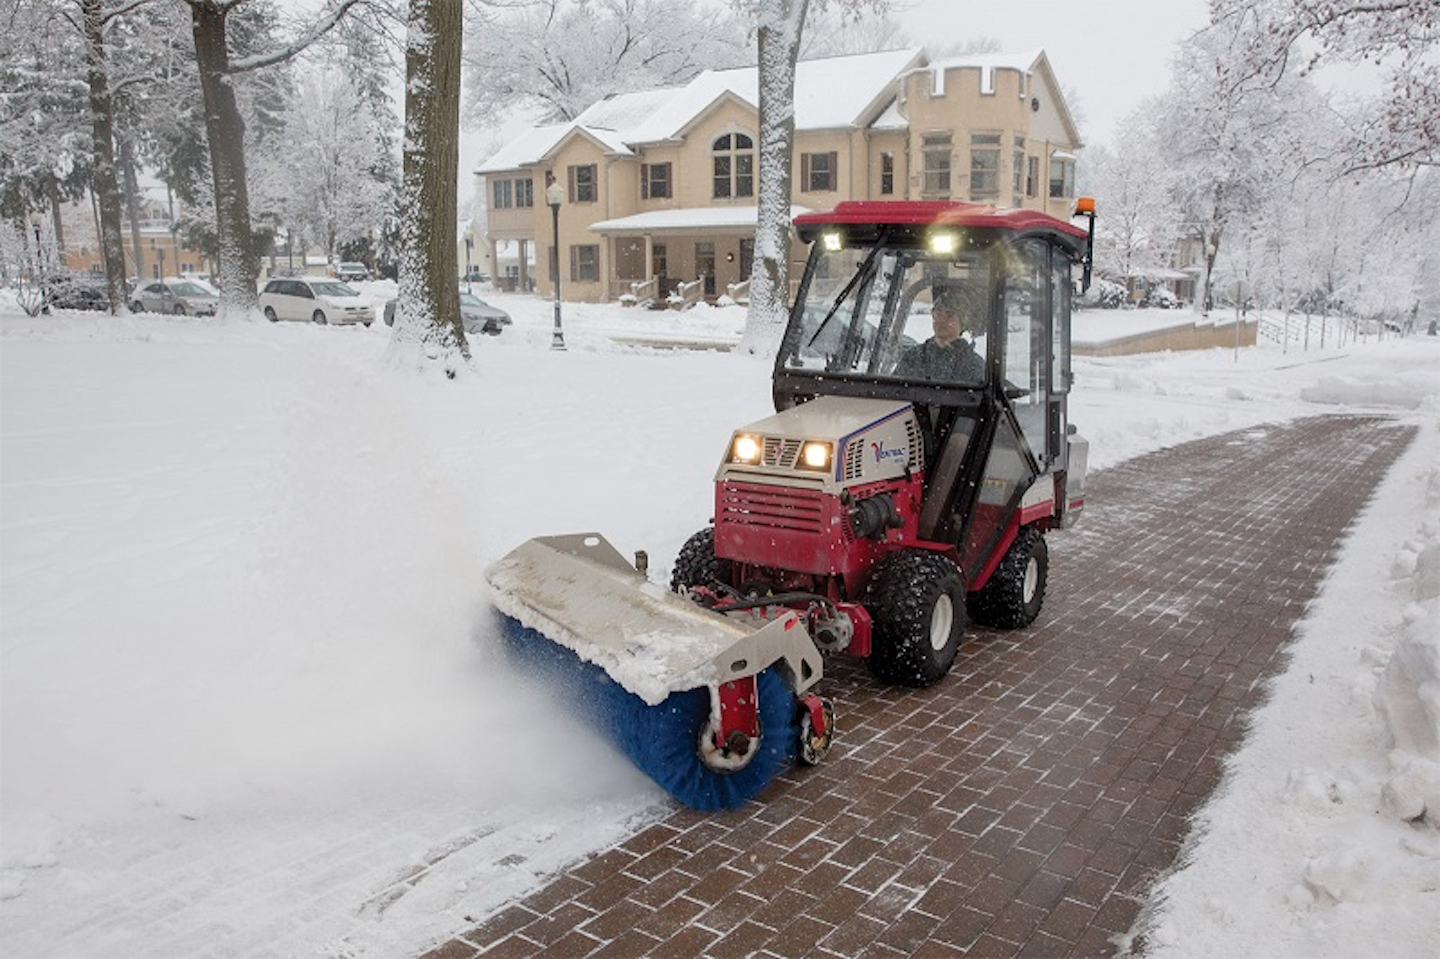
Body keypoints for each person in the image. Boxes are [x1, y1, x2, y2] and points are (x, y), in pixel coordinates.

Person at [895, 290, 985, 383]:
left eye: (949, 315)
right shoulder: (914, 357)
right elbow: (893, 390)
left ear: (962, 321)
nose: (941, 320)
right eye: (937, 313)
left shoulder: (974, 365)